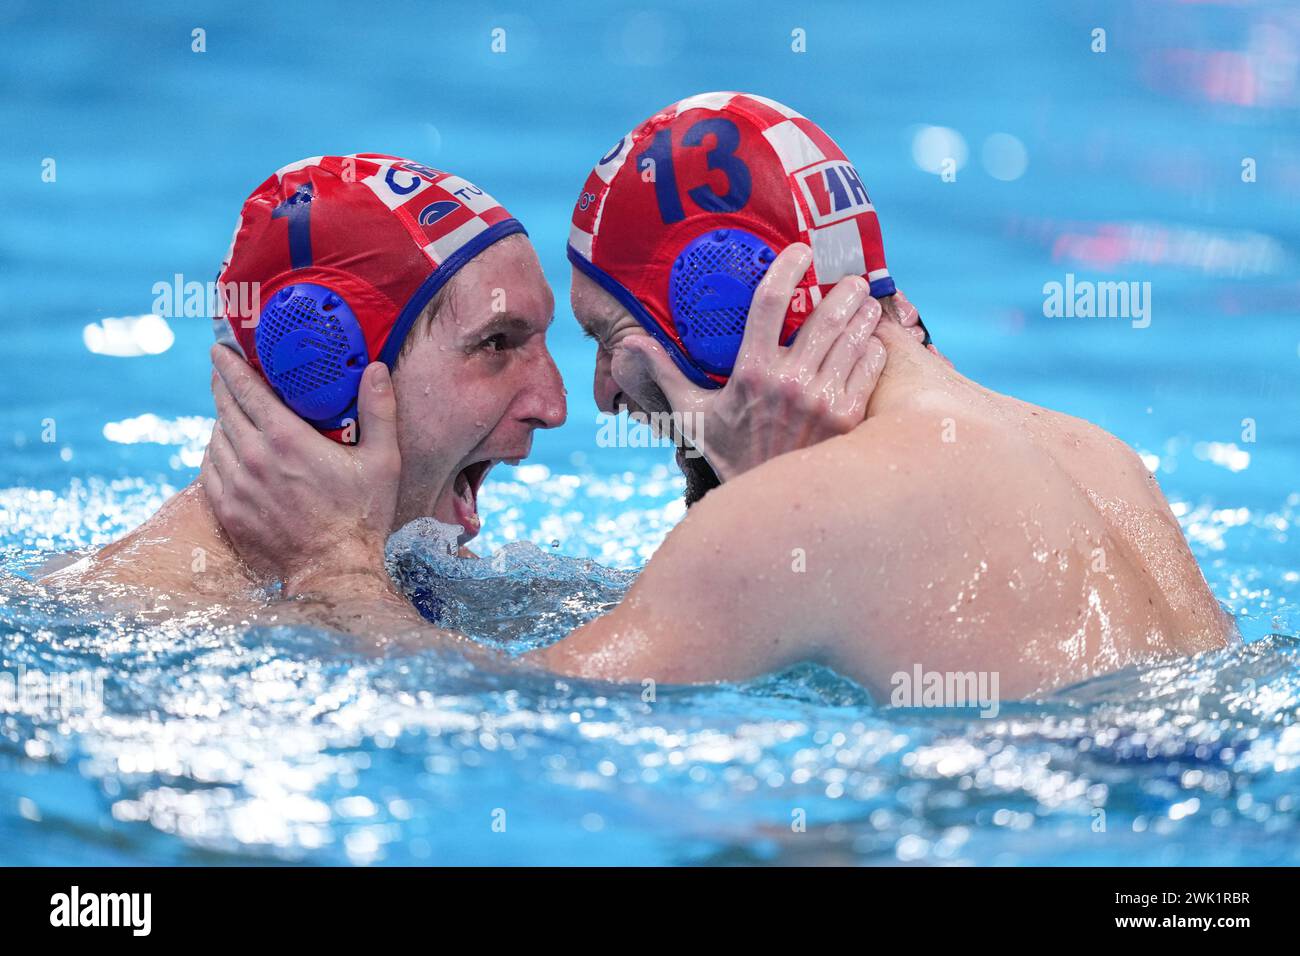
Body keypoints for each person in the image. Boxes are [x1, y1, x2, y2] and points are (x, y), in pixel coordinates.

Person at [202, 94, 1234, 699]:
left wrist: (331, 568)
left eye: (611, 339)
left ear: (724, 309)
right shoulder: (1090, 449)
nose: (598, 395)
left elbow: (491, 721)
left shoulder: (789, 521)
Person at [42, 150, 884, 612]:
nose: (557, 404)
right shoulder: (136, 622)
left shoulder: (417, 576)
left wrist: (780, 496)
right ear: (321, 380)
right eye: (497, 344)